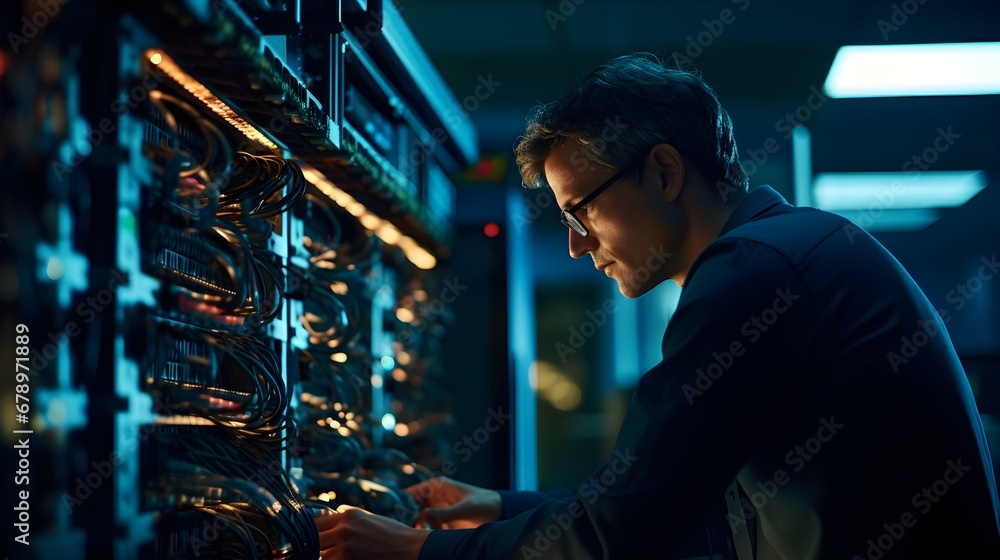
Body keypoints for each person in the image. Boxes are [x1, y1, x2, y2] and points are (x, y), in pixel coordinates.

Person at [315, 52, 1000, 559]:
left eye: (580, 209)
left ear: (664, 172)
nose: (578, 246)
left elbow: (628, 525)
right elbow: (696, 512)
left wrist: (414, 554)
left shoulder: (755, 270)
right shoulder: (792, 251)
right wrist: (498, 506)